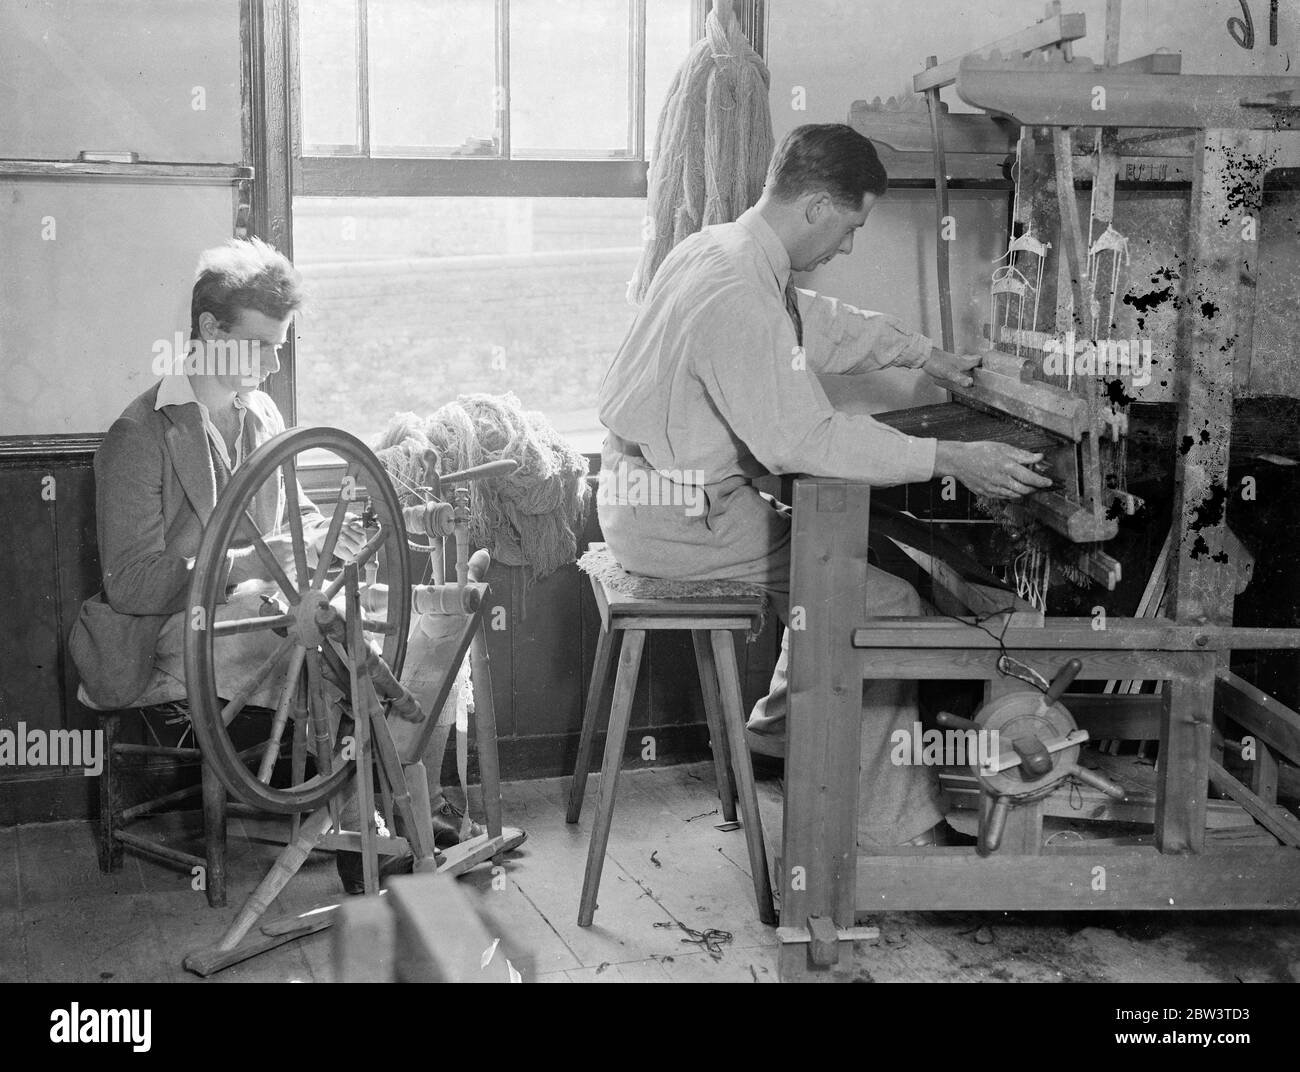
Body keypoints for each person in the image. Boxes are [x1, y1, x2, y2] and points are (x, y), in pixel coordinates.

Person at [596, 123, 1052, 847]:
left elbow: (819, 325)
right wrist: (950, 459)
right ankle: (890, 827)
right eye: (848, 227)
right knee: (881, 598)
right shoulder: (738, 292)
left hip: (649, 492)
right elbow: (800, 440)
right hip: (677, 518)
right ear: (814, 206)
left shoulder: (721, 250)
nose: (846, 247)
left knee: (832, 552)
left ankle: (778, 735)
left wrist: (925, 357)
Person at [69, 237, 471, 889]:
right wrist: (249, 563)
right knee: (335, 645)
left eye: (282, 343)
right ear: (209, 328)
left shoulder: (260, 413)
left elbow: (295, 528)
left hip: (258, 618)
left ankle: (388, 813)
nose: (276, 359)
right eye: (262, 343)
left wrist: (371, 524)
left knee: (367, 630)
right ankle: (375, 823)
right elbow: (133, 582)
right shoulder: (140, 436)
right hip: (169, 632)